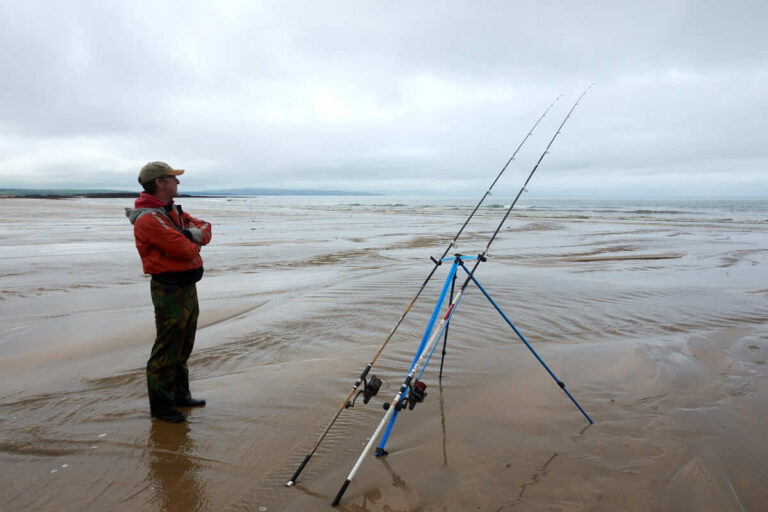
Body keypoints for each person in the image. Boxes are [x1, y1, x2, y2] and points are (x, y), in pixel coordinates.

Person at [126, 161, 212, 422]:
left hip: (186, 285)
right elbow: (186, 249)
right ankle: (162, 408)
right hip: (169, 288)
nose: (178, 182)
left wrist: (189, 236)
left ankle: (179, 395)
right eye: (173, 178)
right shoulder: (149, 219)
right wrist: (191, 239)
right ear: (160, 182)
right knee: (167, 346)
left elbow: (206, 228)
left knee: (184, 343)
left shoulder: (171, 211)